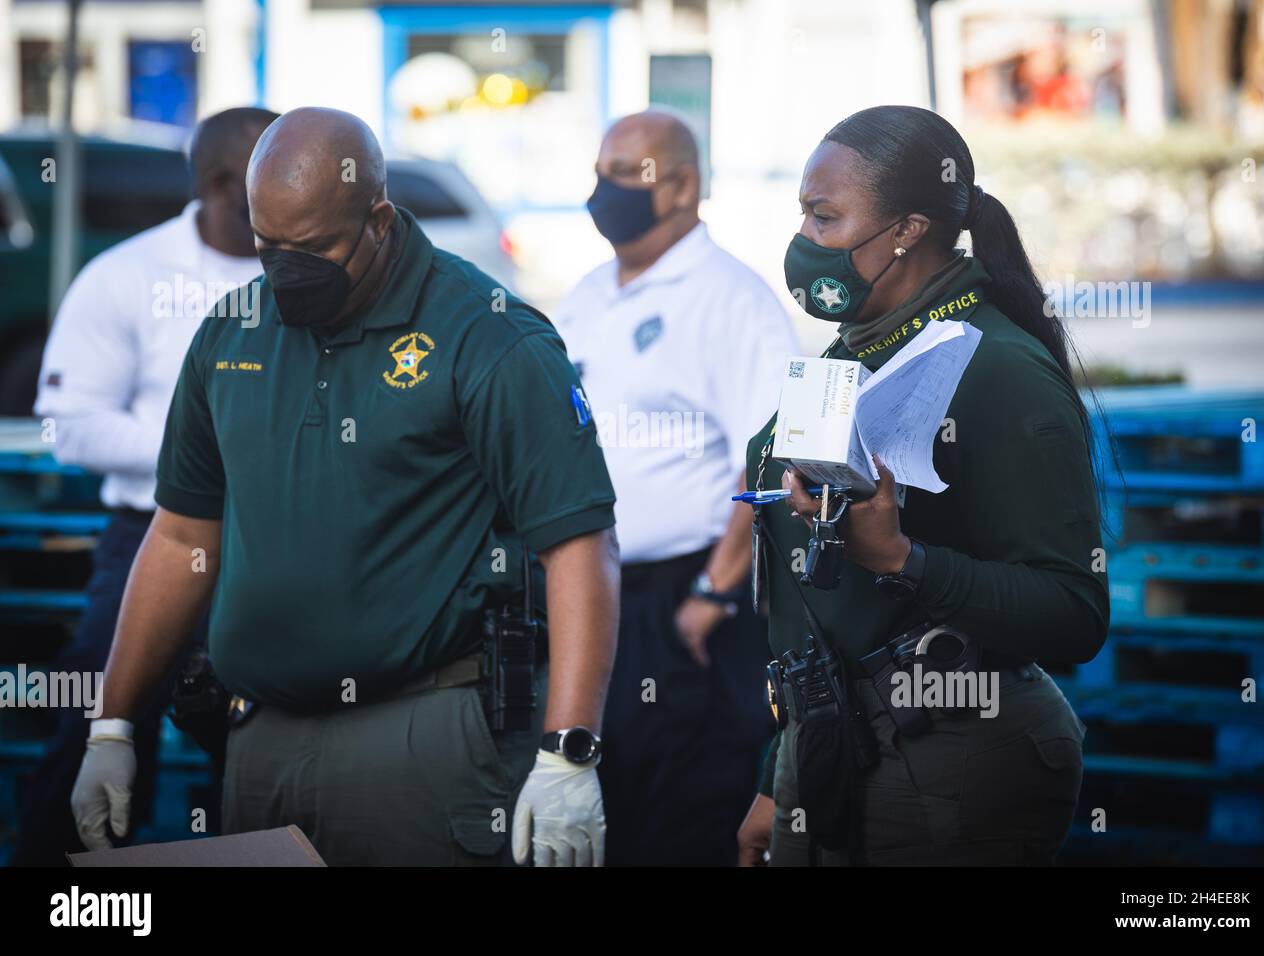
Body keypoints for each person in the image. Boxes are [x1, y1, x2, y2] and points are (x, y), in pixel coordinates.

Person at [69, 107, 620, 867]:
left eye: (316, 247)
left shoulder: (487, 336)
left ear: (380, 220)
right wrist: (112, 724)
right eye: (268, 247)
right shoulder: (234, 331)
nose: (287, 269)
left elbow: (579, 544)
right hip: (257, 740)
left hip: (422, 740)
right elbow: (182, 534)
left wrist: (568, 752)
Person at [736, 105, 1108, 866]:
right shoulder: (855, 353)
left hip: (951, 760)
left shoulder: (998, 369)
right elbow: (819, 609)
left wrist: (903, 559)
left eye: (823, 217)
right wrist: (781, 774)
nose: (803, 243)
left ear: (905, 230)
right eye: (803, 216)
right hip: (831, 743)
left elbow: (1073, 613)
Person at [12, 107, 278, 866]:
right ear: (228, 182)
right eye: (277, 171)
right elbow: (74, 425)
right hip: (152, 540)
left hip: (280, 549)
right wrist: (204, 462)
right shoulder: (128, 273)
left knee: (270, 748)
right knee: (96, 728)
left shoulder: (312, 267)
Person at [551, 110, 798, 865]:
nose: (605, 191)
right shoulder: (588, 295)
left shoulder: (732, 301)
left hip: (688, 609)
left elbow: (771, 466)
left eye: (628, 174)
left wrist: (712, 597)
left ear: (684, 184)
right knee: (607, 806)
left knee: (686, 819)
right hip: (595, 595)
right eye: (601, 172)